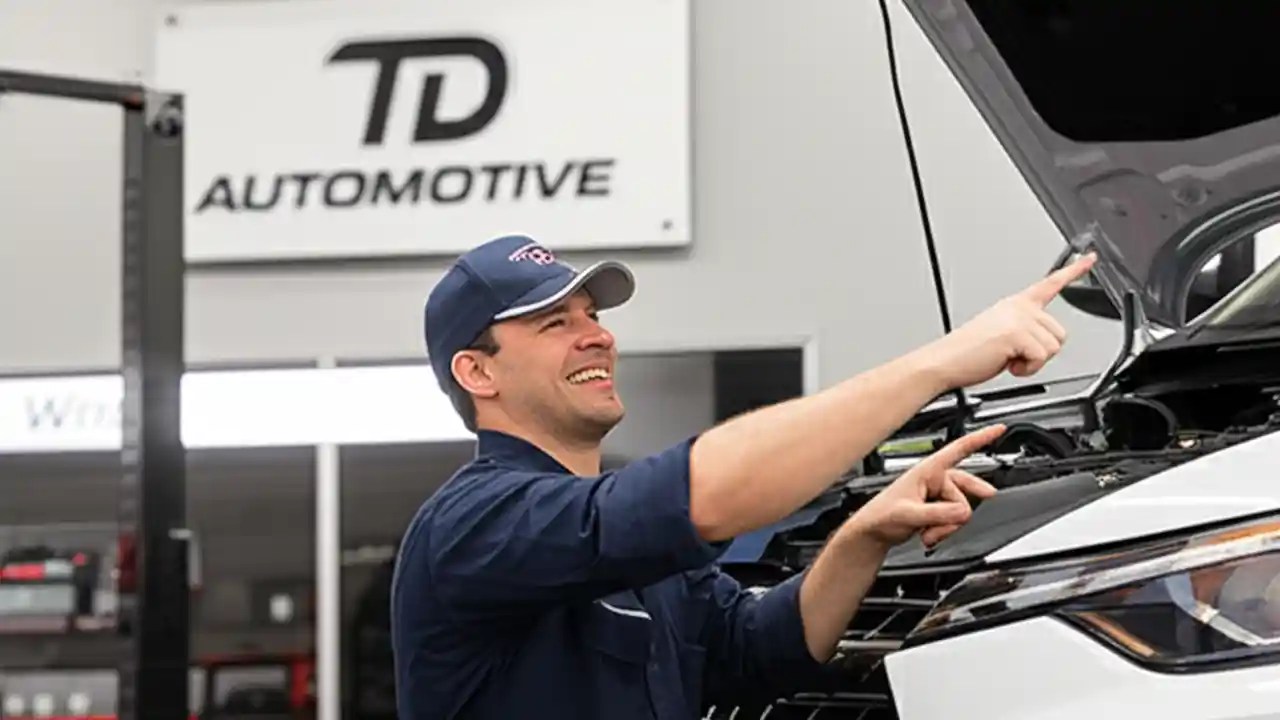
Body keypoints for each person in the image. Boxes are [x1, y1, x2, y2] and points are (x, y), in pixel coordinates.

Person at [392, 233, 1097, 719]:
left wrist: (864, 537)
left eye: (594, 315)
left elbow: (757, 650)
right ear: (476, 371)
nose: (598, 335)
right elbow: (704, 495)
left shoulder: (619, 532)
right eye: (553, 323)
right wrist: (940, 363)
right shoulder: (472, 526)